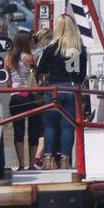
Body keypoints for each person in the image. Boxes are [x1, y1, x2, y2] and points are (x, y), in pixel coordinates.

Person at [35, 15, 87, 171]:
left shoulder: (51, 46)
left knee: (50, 125)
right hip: (71, 89)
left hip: (54, 88)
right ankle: (65, 159)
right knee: (67, 126)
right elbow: (82, 72)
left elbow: (41, 69)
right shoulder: (78, 46)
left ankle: (48, 159)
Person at [5, 30, 42, 171]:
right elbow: (39, 77)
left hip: (16, 96)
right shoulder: (33, 58)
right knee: (34, 130)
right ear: (27, 41)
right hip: (32, 96)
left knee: (18, 130)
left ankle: (21, 163)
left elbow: (8, 82)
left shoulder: (8, 59)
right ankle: (31, 164)